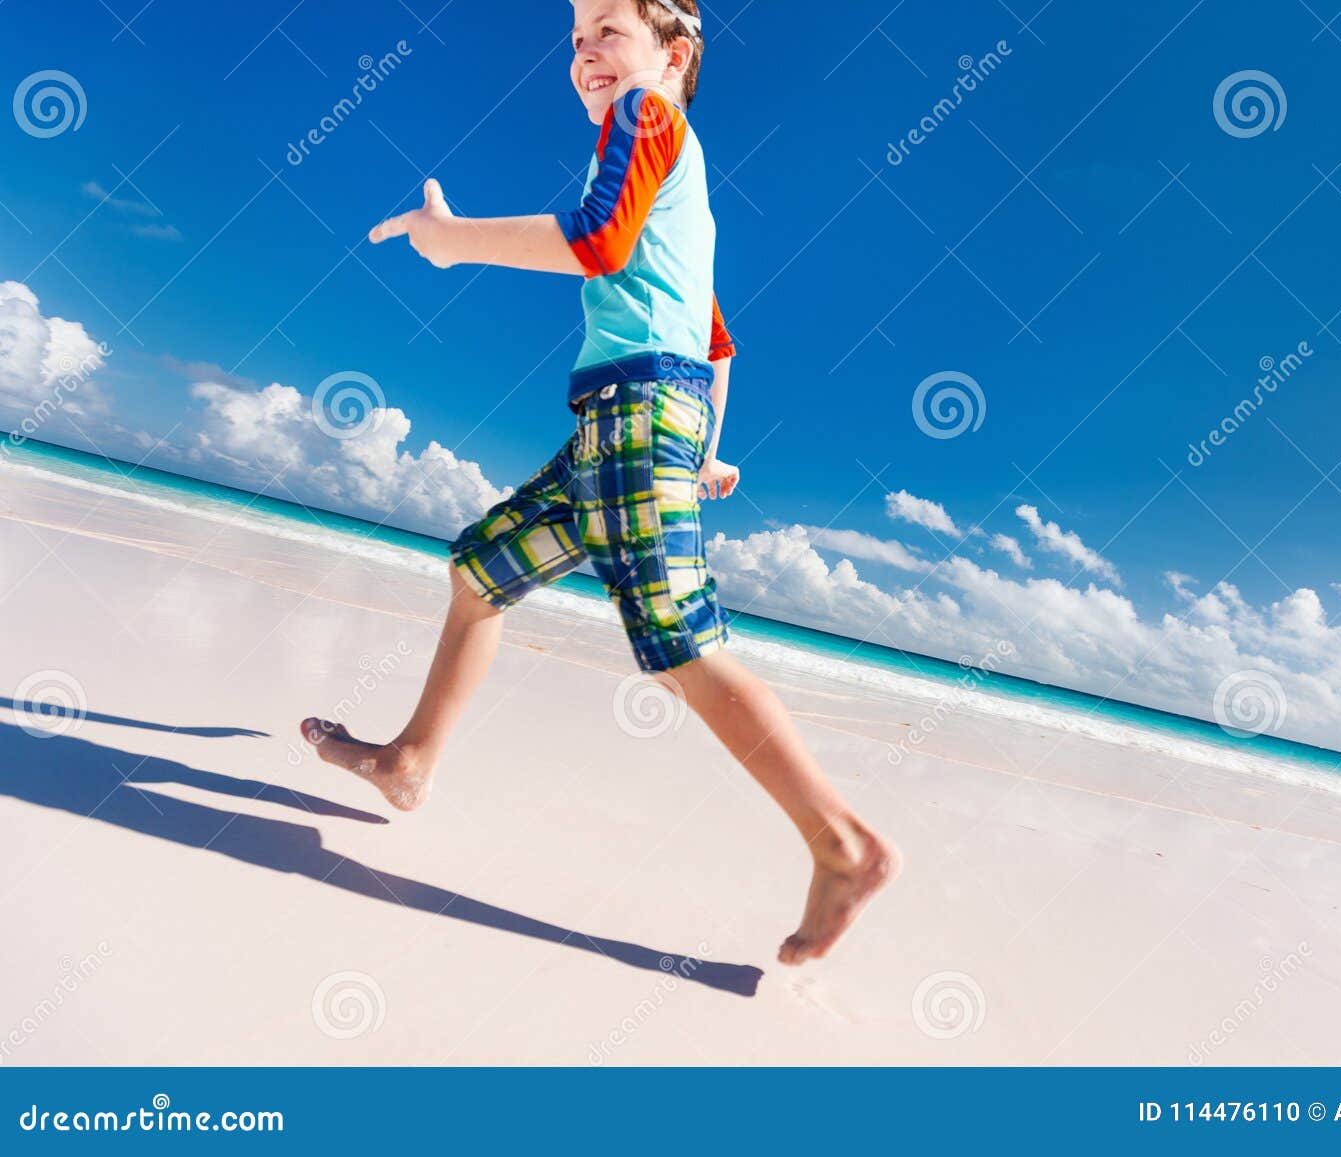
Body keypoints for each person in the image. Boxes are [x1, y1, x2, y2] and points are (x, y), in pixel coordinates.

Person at [302, 0, 899, 966]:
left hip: (632, 417)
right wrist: (706, 445)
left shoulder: (647, 118)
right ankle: (411, 761)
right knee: (478, 570)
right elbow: (715, 339)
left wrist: (453, 241)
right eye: (575, 38)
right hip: (620, 425)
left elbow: (595, 243)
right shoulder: (675, 172)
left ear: (675, 49)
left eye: (609, 30)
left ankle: (845, 843)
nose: (586, 55)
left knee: (675, 638)